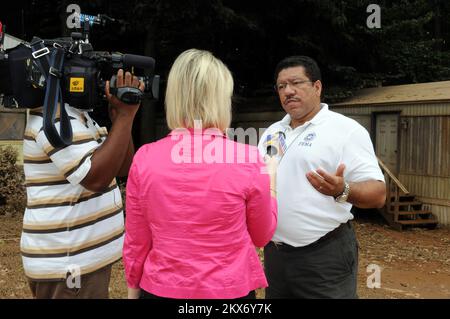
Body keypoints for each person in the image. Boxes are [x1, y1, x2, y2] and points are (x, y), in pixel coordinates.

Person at [123, 49, 278, 299]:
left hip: (161, 288)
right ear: (220, 99)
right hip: (228, 291)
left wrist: (133, 289)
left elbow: (137, 240)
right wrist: (272, 182)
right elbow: (262, 235)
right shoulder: (249, 158)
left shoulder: (145, 158)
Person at [258, 56, 386, 299]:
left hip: (324, 256)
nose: (288, 91)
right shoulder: (272, 132)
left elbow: (378, 194)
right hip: (276, 255)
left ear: (317, 87)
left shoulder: (345, 130)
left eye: (296, 83)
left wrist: (343, 189)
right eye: (282, 86)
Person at [20, 69, 144, 299]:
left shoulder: (79, 117)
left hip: (82, 261)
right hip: (70, 266)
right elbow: (95, 179)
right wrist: (126, 117)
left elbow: (122, 167)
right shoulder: (55, 120)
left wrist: (121, 120)